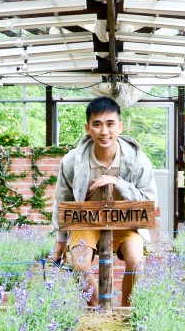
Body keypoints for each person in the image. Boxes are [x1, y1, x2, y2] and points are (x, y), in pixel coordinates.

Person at [51, 96, 157, 307]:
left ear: (120, 126)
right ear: (87, 128)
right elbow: (63, 200)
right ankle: (97, 307)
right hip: (86, 221)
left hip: (125, 221)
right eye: (97, 124)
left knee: (136, 263)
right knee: (80, 265)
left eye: (110, 124)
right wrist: (60, 240)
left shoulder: (137, 160)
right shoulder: (72, 161)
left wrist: (118, 182)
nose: (104, 131)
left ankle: (126, 310)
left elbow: (148, 202)